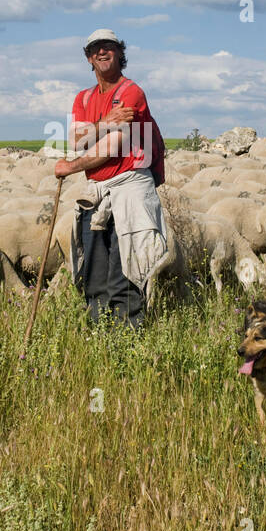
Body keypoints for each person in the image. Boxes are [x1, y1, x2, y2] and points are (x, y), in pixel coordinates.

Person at [54, 28, 167, 328]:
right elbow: (76, 140)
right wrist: (104, 122)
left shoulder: (130, 92)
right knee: (92, 271)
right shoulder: (84, 97)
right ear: (89, 59)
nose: (101, 52)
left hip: (129, 185)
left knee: (125, 271)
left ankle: (128, 342)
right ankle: (99, 339)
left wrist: (70, 167)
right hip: (97, 190)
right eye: (95, 49)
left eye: (109, 47)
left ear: (120, 53)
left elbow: (113, 145)